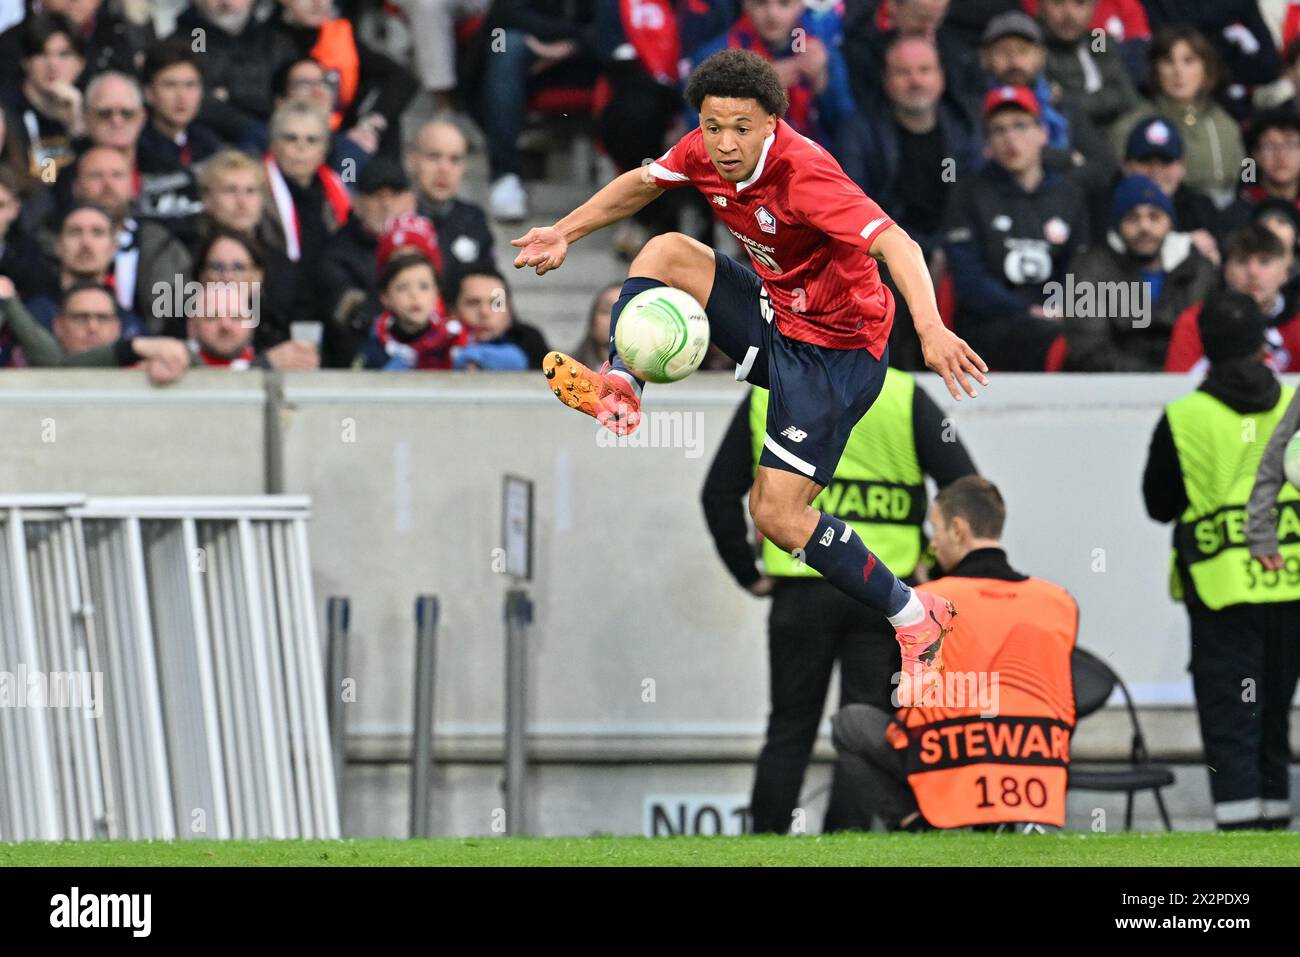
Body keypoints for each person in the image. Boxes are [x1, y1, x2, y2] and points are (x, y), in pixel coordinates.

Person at [512, 49, 989, 697]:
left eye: (741, 128)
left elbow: (896, 243)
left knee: (777, 514)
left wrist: (929, 327)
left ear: (771, 123)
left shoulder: (805, 174)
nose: (725, 143)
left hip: (836, 354)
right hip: (777, 316)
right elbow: (642, 184)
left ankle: (913, 612)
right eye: (713, 127)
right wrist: (564, 231)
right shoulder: (704, 150)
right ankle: (621, 384)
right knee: (665, 249)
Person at [702, 369, 977, 833]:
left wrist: (748, 574)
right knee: (862, 723)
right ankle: (846, 841)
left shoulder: (771, 389)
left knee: (789, 725)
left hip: (800, 587)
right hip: (882, 591)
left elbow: (716, 494)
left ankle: (766, 841)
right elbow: (965, 490)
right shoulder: (903, 393)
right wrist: (932, 562)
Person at [831, 475, 1078, 832]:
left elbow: (899, 697)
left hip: (948, 762)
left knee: (850, 724)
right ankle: (1004, 819)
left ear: (958, 530)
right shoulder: (1057, 602)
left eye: (936, 530)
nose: (933, 544)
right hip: (1030, 764)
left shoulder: (926, 601)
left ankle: (919, 823)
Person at [1143, 287, 1300, 830]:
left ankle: (1237, 847)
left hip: (1221, 594)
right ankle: (1277, 839)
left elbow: (1159, 505)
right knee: (1275, 721)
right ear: (1262, 342)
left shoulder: (1186, 417)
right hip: (1290, 593)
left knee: (1233, 726)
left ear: (1206, 343)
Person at [943, 85, 1088, 371]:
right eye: (999, 130)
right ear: (987, 144)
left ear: (1043, 133)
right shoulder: (967, 195)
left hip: (1056, 318)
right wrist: (1026, 311)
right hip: (990, 325)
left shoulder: (1069, 194)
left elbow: (1079, 267)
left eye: (1020, 126)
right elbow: (969, 282)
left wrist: (1061, 309)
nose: (1010, 138)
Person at [1063, 174, 1217, 371]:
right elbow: (1088, 350)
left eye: (1154, 217)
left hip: (1187, 387)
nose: (1144, 227)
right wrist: (1159, 378)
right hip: (1113, 391)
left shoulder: (1198, 270)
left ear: (1170, 223)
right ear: (1117, 226)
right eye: (1132, 218)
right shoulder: (1089, 269)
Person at [688, 0, 857, 146]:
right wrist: (754, 92)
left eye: (784, 3)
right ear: (745, 4)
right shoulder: (714, 58)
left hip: (809, 168)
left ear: (800, 5)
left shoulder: (818, 51)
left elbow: (847, 129)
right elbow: (698, 131)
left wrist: (821, 81)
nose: (772, 14)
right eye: (761, 3)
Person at [1111, 25, 1246, 206]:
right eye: (1168, 61)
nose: (1178, 71)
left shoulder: (1226, 125)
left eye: (1188, 61)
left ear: (1206, 70)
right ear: (1155, 70)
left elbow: (1242, 180)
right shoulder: (1130, 127)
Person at [320, 157, 417, 367]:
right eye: (377, 196)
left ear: (411, 201)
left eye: (395, 195)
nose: (387, 205)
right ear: (358, 203)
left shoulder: (426, 242)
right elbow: (349, 316)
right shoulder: (336, 251)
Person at [1166, 225, 1300, 374]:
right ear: (1226, 271)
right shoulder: (1195, 321)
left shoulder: (1298, 324)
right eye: (1242, 261)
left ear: (1285, 272)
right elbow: (1178, 387)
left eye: (1264, 262)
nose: (1253, 272)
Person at [1121, 115, 1249, 261]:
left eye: (1165, 161)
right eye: (1145, 161)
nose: (1155, 171)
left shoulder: (1200, 208)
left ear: (1182, 166)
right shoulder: (1104, 205)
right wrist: (1182, 244)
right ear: (1126, 166)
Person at [407, 119, 496, 286]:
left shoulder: (474, 219)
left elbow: (491, 285)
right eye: (434, 156)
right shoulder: (393, 218)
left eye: (454, 160)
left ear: (464, 168)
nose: (444, 169)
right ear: (412, 160)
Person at [4, 13, 86, 183]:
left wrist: (76, 126)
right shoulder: (6, 114)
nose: (53, 64)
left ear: (81, 64)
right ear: (26, 62)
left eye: (64, 54)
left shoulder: (94, 111)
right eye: (42, 54)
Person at [1038, 0, 1140, 133]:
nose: (1069, 14)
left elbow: (1125, 96)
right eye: (1058, 3)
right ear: (1041, 6)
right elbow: (1052, 106)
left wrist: (1068, 99)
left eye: (1079, 3)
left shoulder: (1097, 38)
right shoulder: (1035, 47)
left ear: (1093, 7)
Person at [361, 251, 465, 370]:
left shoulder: (455, 338)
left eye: (424, 286)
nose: (414, 295)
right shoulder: (373, 343)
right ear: (385, 298)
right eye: (403, 288)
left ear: (437, 294)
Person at [448, 267, 548, 369]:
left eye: (496, 303)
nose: (484, 312)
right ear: (452, 311)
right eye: (473, 303)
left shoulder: (529, 342)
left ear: (509, 312)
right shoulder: (437, 346)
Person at [570, 282, 620, 369]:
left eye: (625, 311)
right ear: (593, 320)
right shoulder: (567, 369)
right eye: (606, 310)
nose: (616, 318)